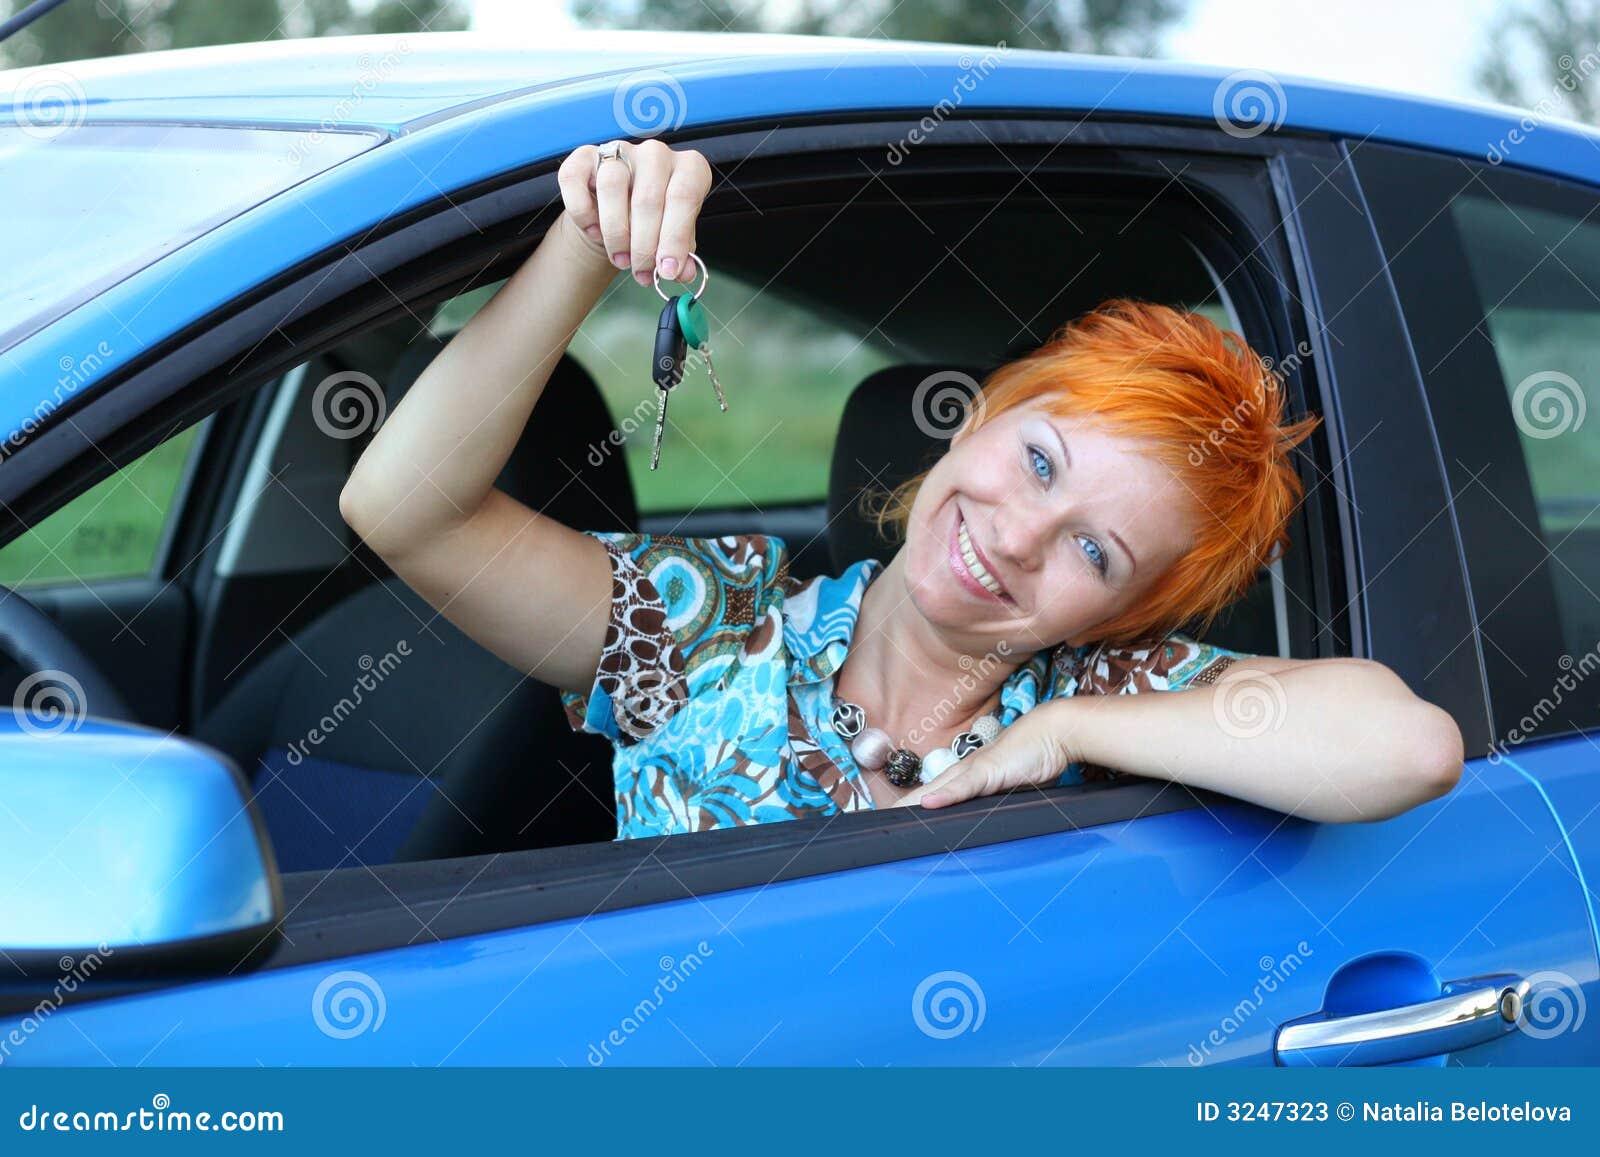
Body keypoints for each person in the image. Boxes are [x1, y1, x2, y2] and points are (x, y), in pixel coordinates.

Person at [339, 137, 1465, 842]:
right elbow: (407, 508)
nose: (1020, 534)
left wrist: (1071, 721)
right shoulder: (706, 628)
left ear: (1121, 613)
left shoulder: (1112, 690)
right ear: (974, 415)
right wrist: (592, 240)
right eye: (1037, 460)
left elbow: (1406, 749)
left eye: (1095, 553)